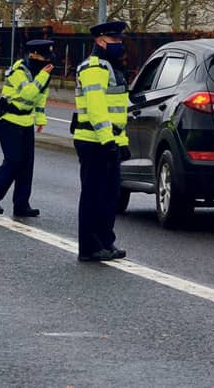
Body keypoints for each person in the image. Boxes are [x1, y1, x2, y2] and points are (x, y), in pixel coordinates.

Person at [72, 20, 130, 262]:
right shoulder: (94, 68)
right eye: (113, 40)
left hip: (107, 139)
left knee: (109, 196)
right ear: (100, 40)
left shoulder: (110, 67)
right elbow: (97, 110)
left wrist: (122, 141)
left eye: (119, 40)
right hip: (93, 140)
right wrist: (108, 141)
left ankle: (106, 241)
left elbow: (118, 111)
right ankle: (89, 247)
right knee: (94, 196)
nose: (118, 44)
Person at [0, 39, 55, 217]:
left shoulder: (40, 72)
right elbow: (28, 93)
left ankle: (21, 205)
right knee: (13, 161)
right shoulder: (18, 71)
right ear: (33, 55)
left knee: (26, 164)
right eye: (44, 57)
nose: (47, 61)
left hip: (26, 122)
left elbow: (40, 98)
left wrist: (40, 119)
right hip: (8, 120)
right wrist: (43, 76)